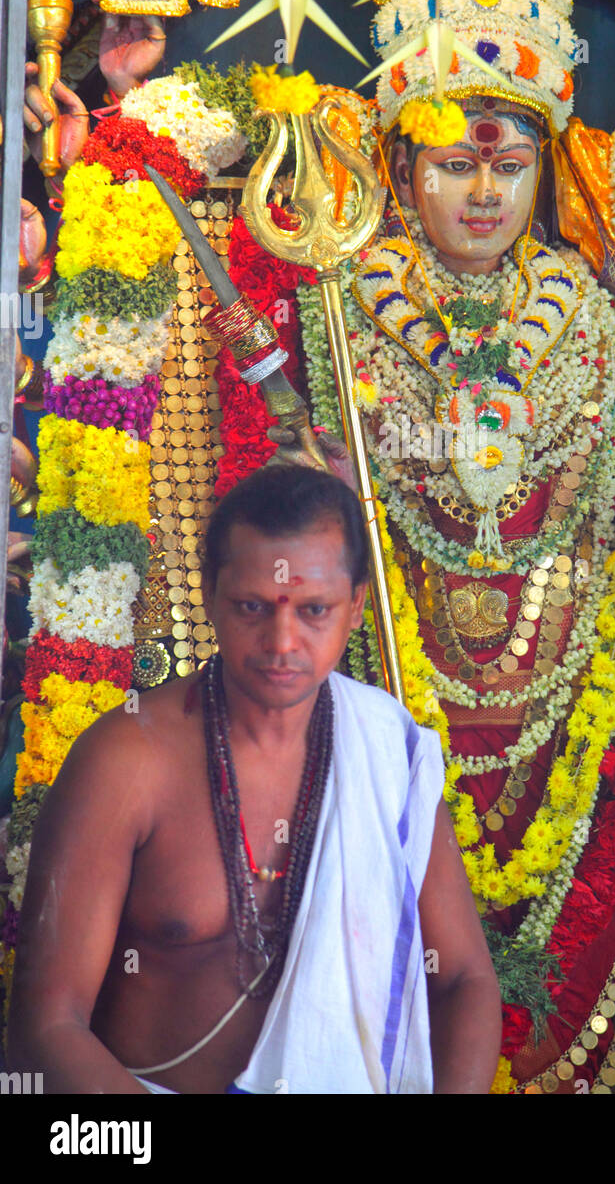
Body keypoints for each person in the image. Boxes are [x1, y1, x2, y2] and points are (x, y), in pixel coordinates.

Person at [6, 463, 502, 1094]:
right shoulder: (126, 760)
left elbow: (464, 980)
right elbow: (44, 1029)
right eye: (251, 607)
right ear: (209, 594)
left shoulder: (386, 751)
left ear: (355, 606)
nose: (282, 641)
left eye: (315, 610)